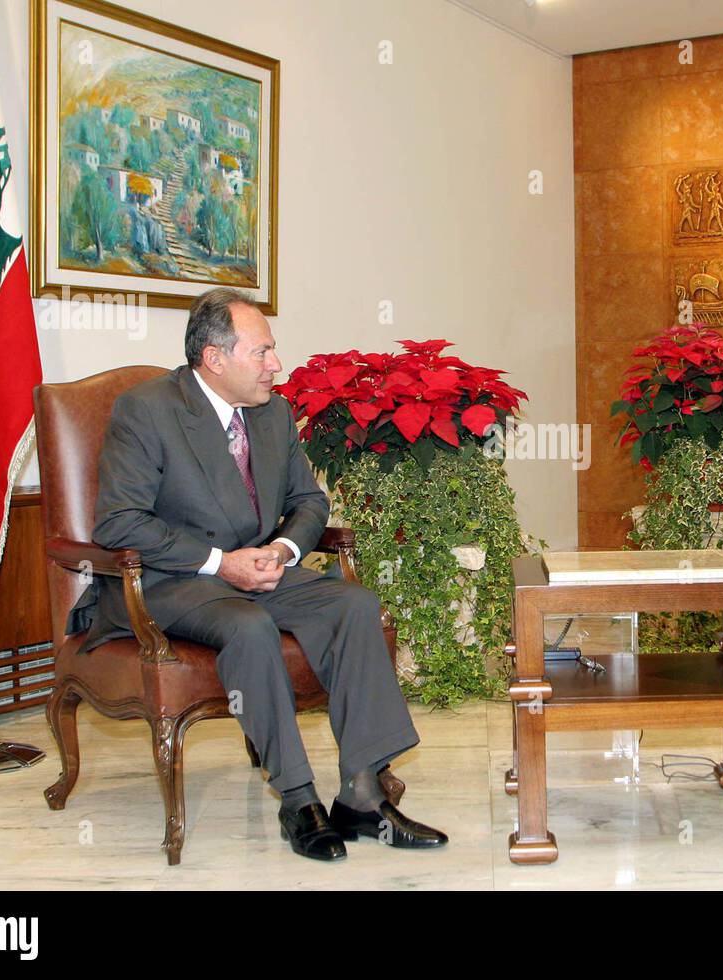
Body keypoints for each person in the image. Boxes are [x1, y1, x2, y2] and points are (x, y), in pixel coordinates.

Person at [66, 286, 447, 862]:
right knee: (248, 626)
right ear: (214, 358)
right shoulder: (148, 410)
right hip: (170, 581)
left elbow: (309, 502)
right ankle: (298, 799)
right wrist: (223, 563)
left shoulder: (271, 413)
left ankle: (363, 796)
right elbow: (118, 523)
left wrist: (285, 550)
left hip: (258, 569)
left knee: (355, 605)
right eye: (262, 352)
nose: (276, 365)